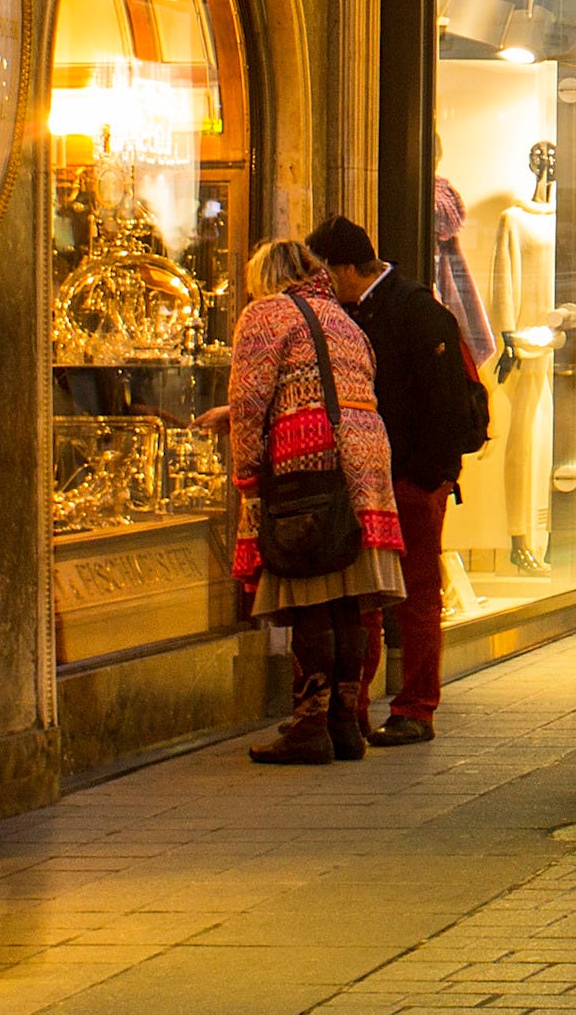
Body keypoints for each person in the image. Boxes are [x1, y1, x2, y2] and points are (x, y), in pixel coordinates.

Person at [214, 238, 408, 766]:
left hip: (308, 459)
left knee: (310, 593)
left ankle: (308, 725)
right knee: (348, 599)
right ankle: (344, 721)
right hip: (365, 461)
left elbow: (251, 397)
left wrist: (247, 474)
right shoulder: (342, 319)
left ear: (266, 277)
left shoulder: (266, 314)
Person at [307, 216, 486, 744]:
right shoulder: (356, 310)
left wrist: (429, 476)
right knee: (365, 596)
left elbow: (446, 402)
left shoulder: (415, 309)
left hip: (409, 478)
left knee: (416, 597)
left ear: (343, 269)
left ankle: (415, 709)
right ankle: (355, 706)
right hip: (371, 478)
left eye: (323, 275)